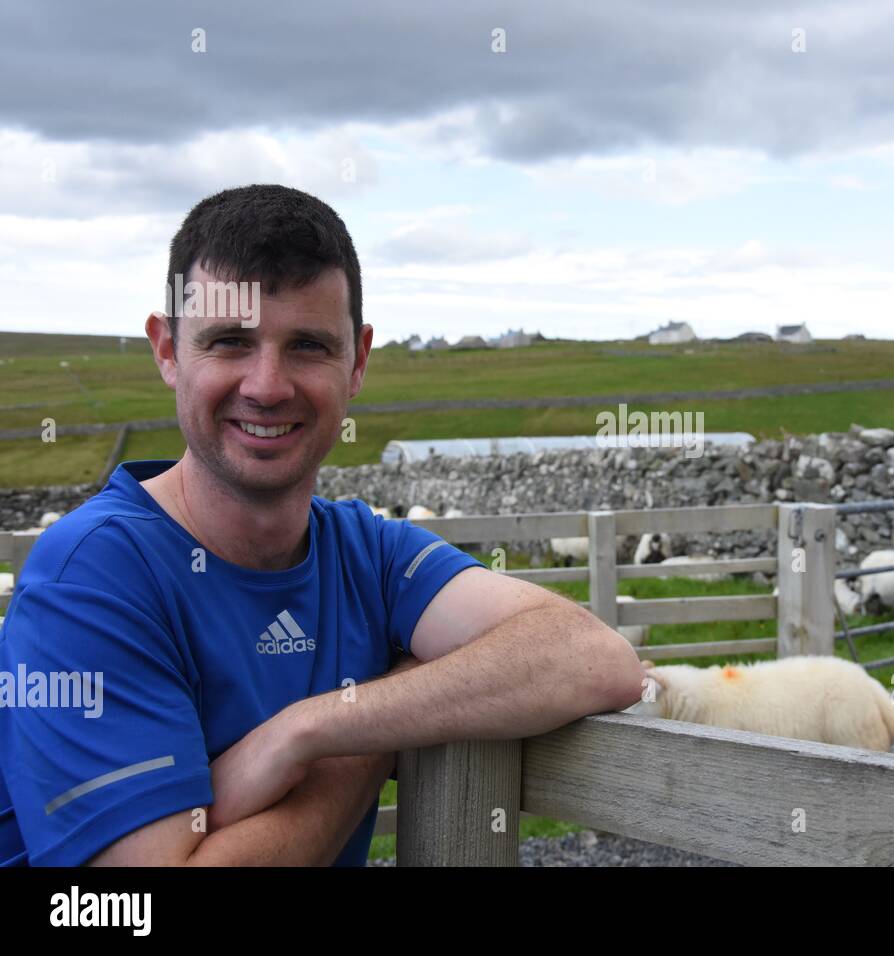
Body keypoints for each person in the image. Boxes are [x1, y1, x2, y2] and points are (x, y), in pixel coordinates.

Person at [0, 184, 645, 866]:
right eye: (230, 342)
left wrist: (305, 730)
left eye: (307, 345)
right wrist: (371, 737)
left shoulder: (368, 553)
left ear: (358, 361)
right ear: (166, 350)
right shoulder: (92, 576)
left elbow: (593, 657)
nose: (267, 385)